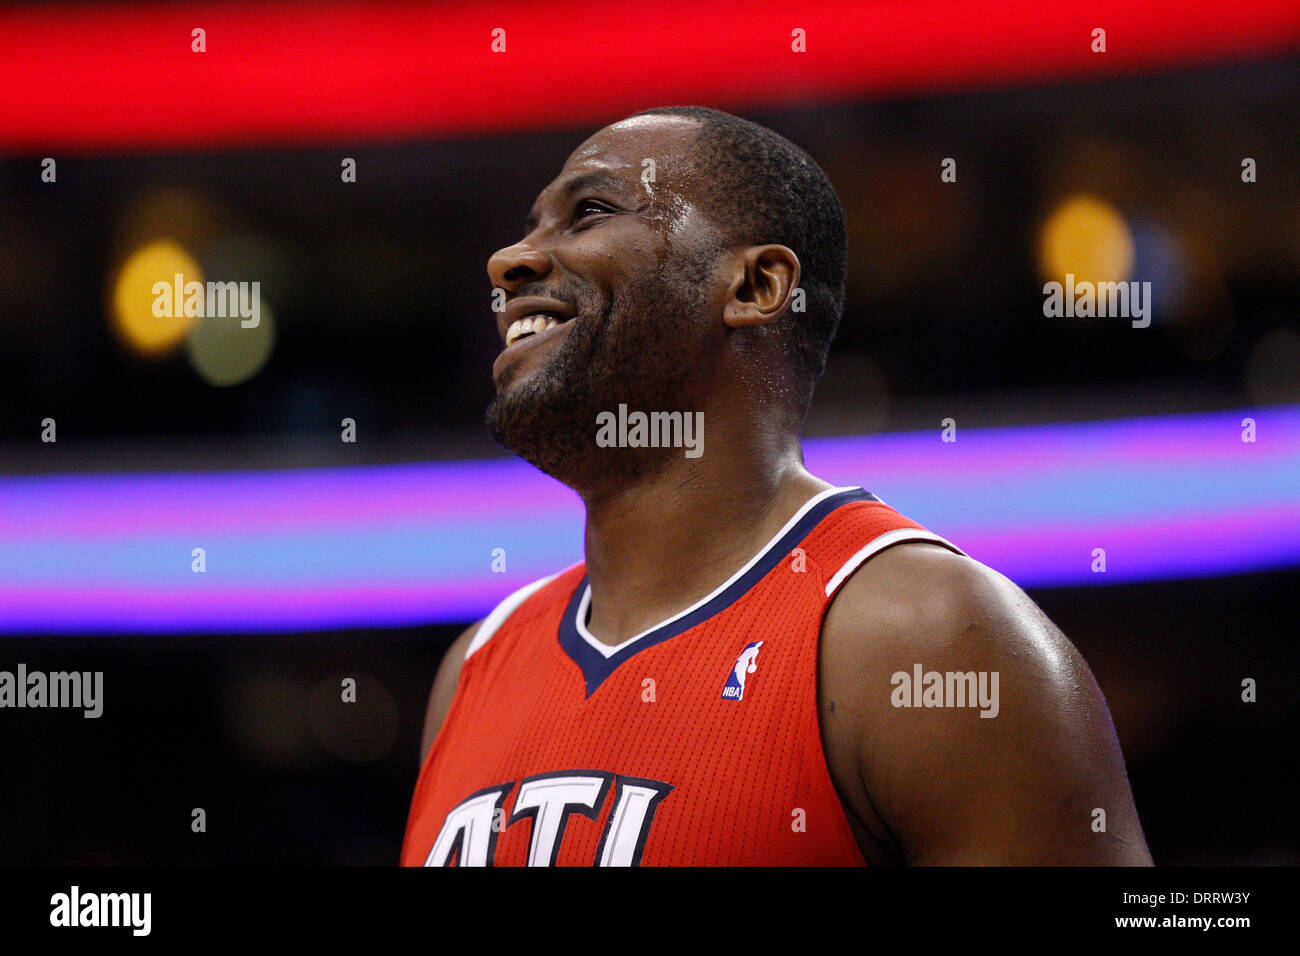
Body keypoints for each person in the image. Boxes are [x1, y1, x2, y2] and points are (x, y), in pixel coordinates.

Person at [400, 106, 1152, 866]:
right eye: (529, 226)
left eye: (589, 212)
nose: (510, 260)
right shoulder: (475, 666)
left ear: (757, 285)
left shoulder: (923, 636)